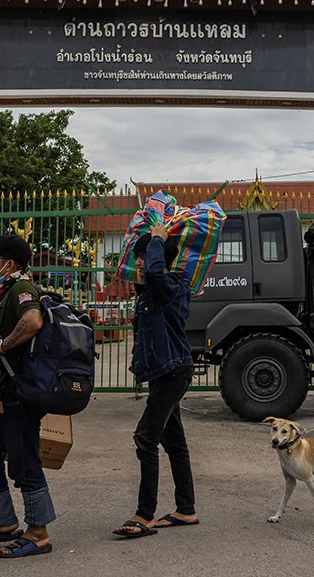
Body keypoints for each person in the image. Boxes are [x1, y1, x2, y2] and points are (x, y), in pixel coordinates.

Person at [0, 233, 56, 558]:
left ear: (10, 264)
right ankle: (4, 524)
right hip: (1, 397)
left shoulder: (21, 288)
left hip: (19, 395)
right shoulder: (4, 292)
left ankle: (39, 533)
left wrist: (1, 344)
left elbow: (32, 321)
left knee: (24, 463)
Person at [113, 223, 199, 538]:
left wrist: (158, 240)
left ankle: (144, 514)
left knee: (145, 438)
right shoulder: (151, 290)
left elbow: (154, 274)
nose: (139, 265)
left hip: (173, 373)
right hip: (162, 373)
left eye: (143, 258)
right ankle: (185, 510)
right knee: (174, 442)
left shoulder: (172, 287)